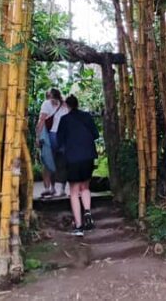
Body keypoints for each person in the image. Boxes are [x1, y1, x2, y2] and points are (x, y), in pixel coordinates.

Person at [56, 94, 99, 237]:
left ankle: (79, 226)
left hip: (72, 157)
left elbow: (59, 142)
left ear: (67, 106)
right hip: (88, 156)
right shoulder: (86, 116)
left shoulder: (64, 120)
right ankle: (87, 212)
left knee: (74, 191)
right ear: (78, 104)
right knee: (85, 187)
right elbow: (96, 134)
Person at [35, 89, 67, 197]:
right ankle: (62, 189)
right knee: (62, 162)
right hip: (64, 136)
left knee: (48, 161)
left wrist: (38, 136)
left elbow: (42, 120)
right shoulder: (65, 104)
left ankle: (49, 188)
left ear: (49, 95)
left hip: (51, 136)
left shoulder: (46, 103)